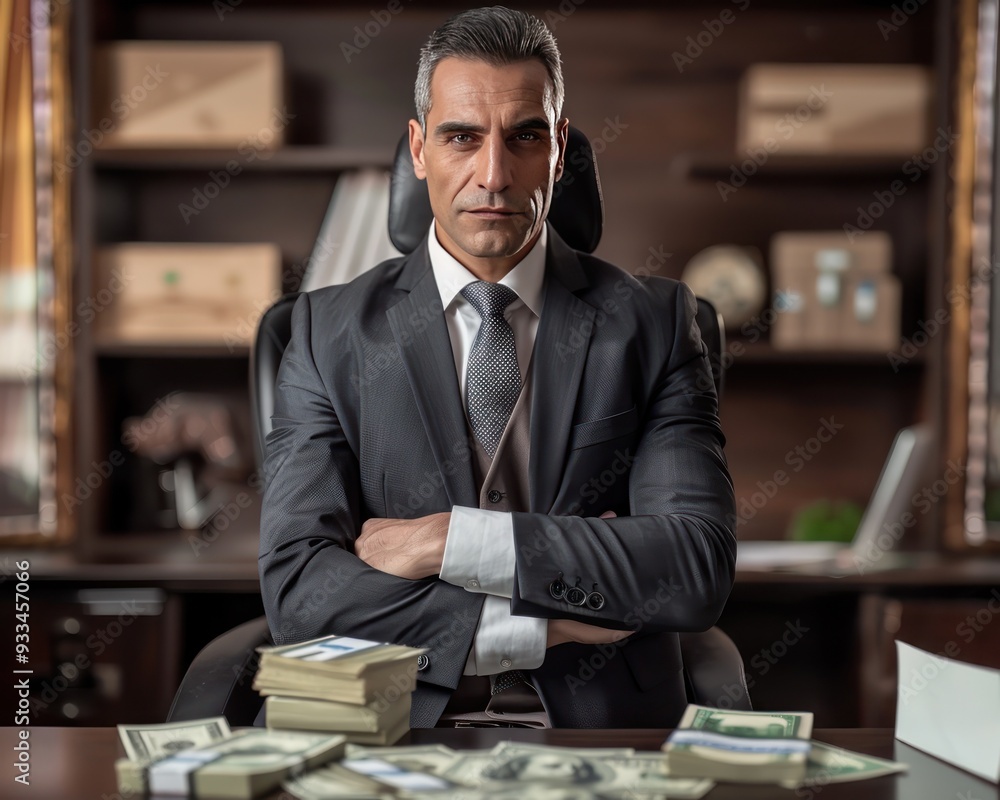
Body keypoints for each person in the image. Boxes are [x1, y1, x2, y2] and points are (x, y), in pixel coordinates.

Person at [259, 5, 735, 728]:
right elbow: (300, 591)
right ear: (419, 149)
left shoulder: (656, 324)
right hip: (390, 727)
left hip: (601, 732)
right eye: (462, 137)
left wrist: (447, 541)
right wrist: (531, 627)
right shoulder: (325, 331)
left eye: (525, 137)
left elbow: (693, 568)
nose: (494, 174)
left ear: (560, 148)